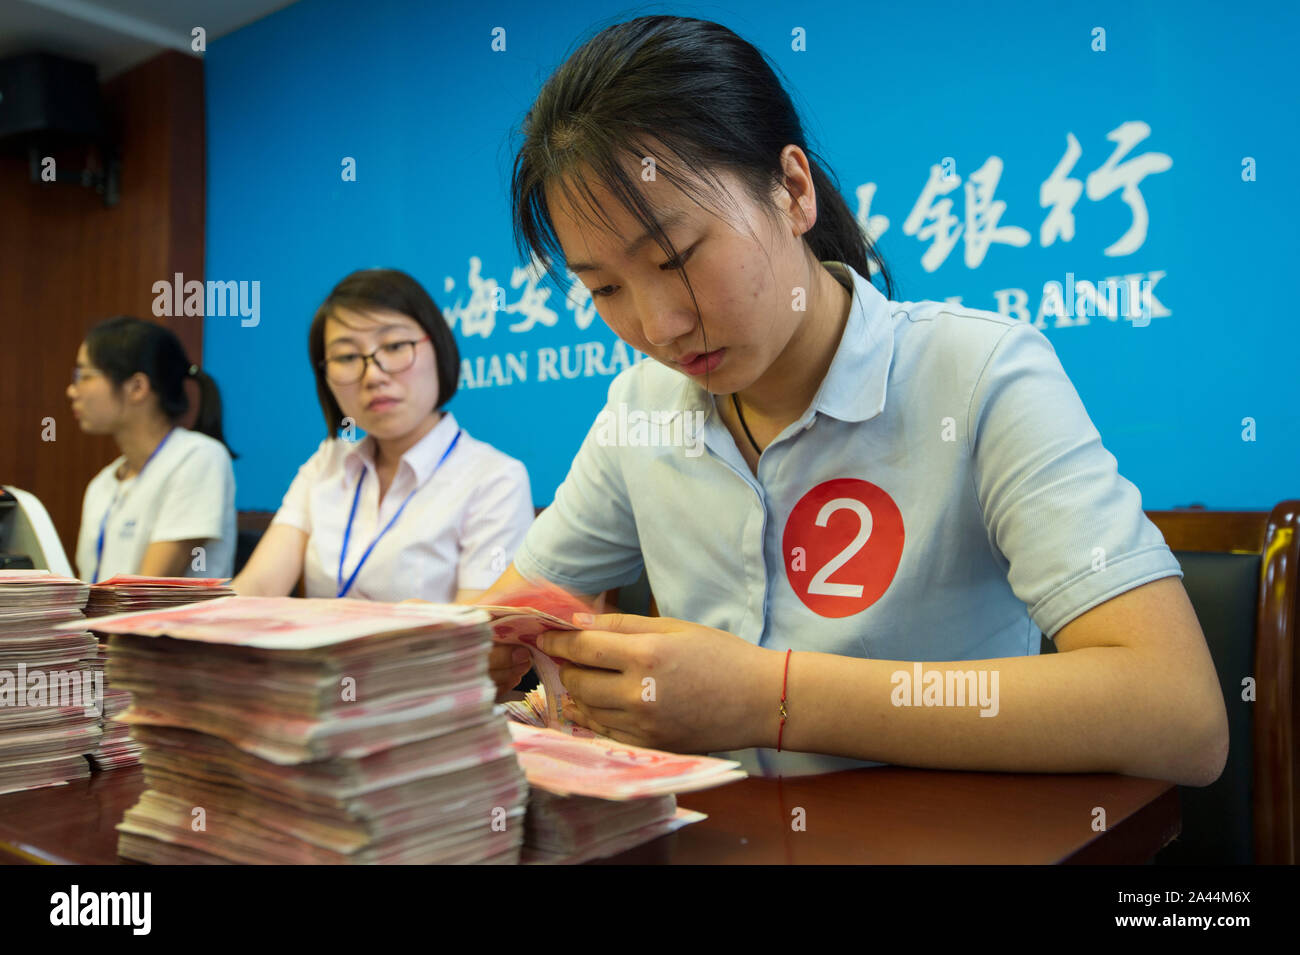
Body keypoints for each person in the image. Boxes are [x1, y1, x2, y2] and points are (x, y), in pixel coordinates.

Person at [476, 15, 1228, 786]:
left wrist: (769, 698)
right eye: (605, 288)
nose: (657, 326)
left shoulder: (977, 374)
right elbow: (513, 612)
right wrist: (466, 655)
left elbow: (1178, 712)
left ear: (793, 191)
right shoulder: (643, 408)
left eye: (677, 258)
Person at [231, 268, 534, 602]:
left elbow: (479, 624)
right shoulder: (326, 464)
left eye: (394, 345)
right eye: (347, 356)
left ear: (438, 347)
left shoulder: (495, 479)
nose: (373, 375)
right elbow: (257, 588)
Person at [68, 315, 236, 581]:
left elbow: (148, 590)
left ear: (137, 387)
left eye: (85, 376)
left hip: (149, 611)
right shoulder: (101, 484)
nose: (72, 390)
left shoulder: (199, 458)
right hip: (103, 611)